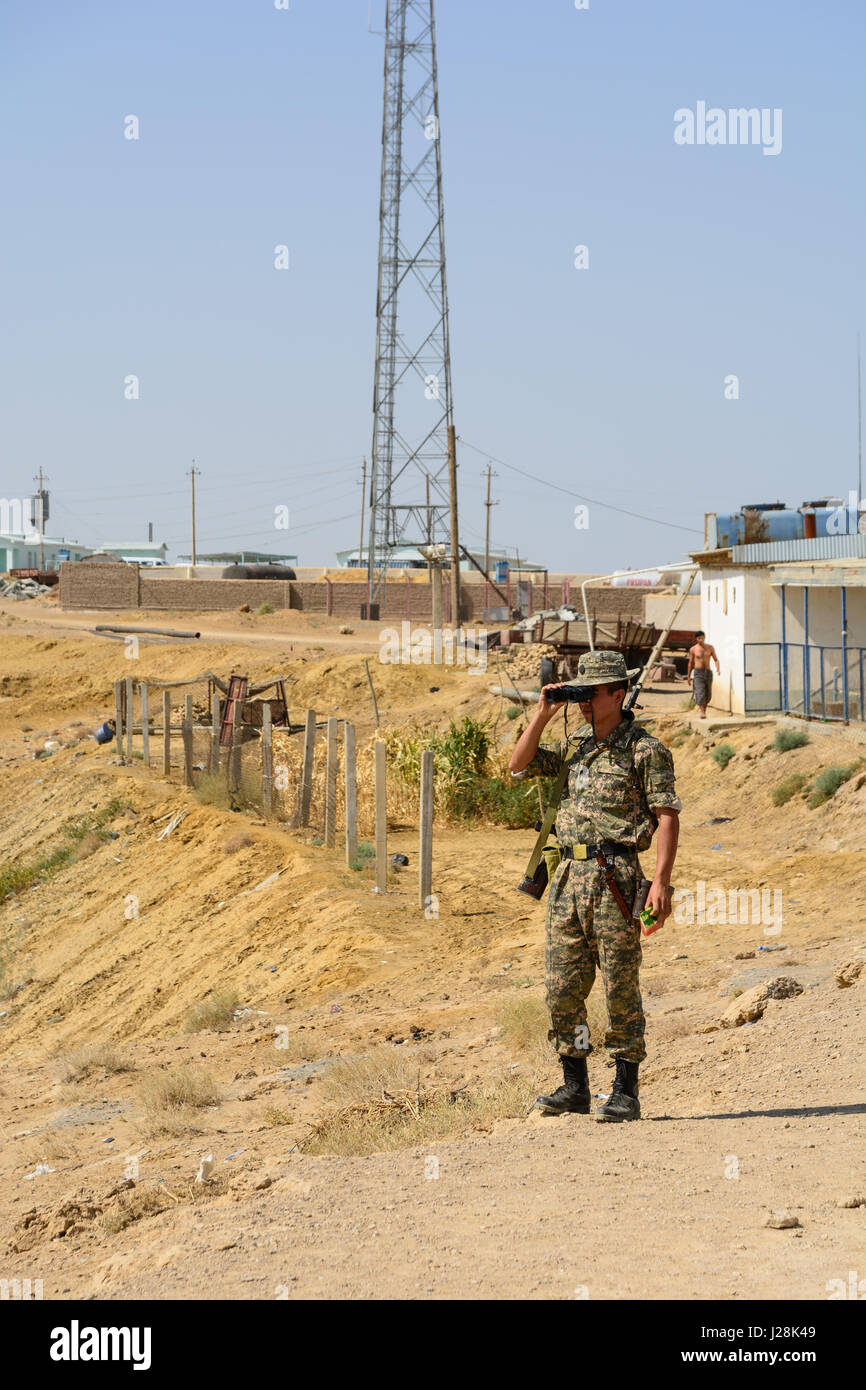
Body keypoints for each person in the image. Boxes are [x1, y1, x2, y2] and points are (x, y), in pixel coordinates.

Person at [508, 650, 681, 1122]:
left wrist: (661, 882)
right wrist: (544, 713)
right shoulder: (575, 744)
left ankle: (625, 1090)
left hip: (616, 877)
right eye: (579, 693)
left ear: (618, 694)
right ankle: (575, 1086)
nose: (583, 703)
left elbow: (666, 816)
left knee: (620, 984)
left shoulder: (644, 750)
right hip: (566, 877)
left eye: (592, 693)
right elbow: (518, 766)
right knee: (562, 987)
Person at [687, 631, 720, 718]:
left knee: (708, 694)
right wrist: (688, 677)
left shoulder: (710, 648)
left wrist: (718, 668)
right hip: (698, 673)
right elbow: (690, 663)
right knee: (700, 692)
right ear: (696, 639)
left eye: (702, 638)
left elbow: (716, 659)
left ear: (704, 637)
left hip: (708, 673)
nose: (701, 640)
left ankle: (704, 710)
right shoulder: (693, 649)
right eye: (699, 638)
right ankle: (702, 712)